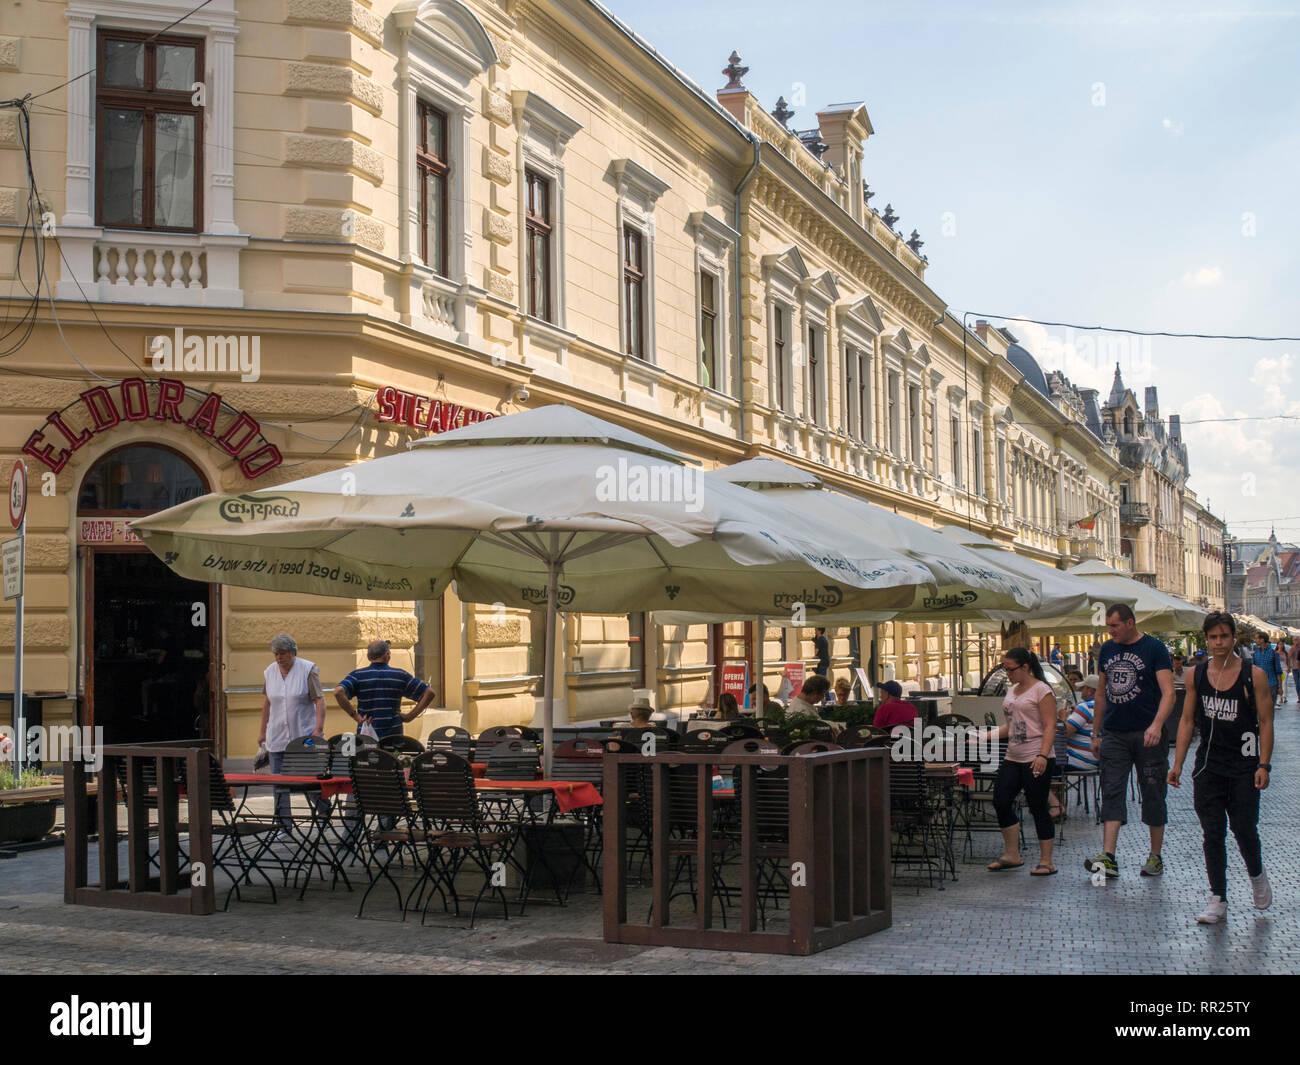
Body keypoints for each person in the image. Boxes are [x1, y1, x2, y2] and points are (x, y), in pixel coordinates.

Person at [1168, 612, 1273, 924]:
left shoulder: (1253, 675)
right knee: (1212, 833)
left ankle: (1256, 874)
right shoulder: (1195, 675)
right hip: (1209, 766)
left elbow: (1266, 722)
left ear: (1234, 638)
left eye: (1224, 637)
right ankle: (1218, 896)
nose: (1218, 643)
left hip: (1243, 765)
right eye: (1213, 637)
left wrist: (1263, 765)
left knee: (1243, 829)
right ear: (1206, 639)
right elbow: (1187, 720)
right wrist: (1178, 763)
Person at [1086, 604, 1176, 879]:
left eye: (1114, 626)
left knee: (1152, 792)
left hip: (1147, 733)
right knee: (1112, 790)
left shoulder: (1154, 649)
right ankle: (1109, 856)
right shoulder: (1108, 650)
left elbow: (1169, 693)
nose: (1110, 631)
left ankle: (1155, 856)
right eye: (1108, 626)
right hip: (1114, 732)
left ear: (1130, 623)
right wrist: (1095, 732)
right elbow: (1101, 693)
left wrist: (1157, 726)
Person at [984, 647, 1059, 875]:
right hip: (1013, 755)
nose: (1008, 674)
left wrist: (1042, 755)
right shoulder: (1013, 690)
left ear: (1025, 667)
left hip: (1036, 755)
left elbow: (1049, 725)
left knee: (1037, 807)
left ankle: (1046, 861)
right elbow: (1013, 725)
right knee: (1001, 800)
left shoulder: (1042, 690)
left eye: (1011, 669)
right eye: (1004, 669)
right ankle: (1012, 855)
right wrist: (984, 736)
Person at [258, 634, 327, 830]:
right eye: (276, 654)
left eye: (282, 654)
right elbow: (267, 703)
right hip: (276, 735)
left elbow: (320, 700)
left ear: (292, 653)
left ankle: (323, 806)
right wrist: (262, 731)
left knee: (307, 778)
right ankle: (283, 825)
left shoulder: (307, 669)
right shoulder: (270, 672)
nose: (279, 658)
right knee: (279, 784)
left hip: (303, 735)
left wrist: (318, 729)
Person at [334, 639, 435, 742]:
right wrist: (409, 717)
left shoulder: (357, 676)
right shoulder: (400, 675)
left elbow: (338, 692)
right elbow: (429, 693)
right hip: (394, 737)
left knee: (367, 758)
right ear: (387, 655)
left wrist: (355, 716)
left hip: (367, 736)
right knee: (392, 758)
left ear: (368, 657)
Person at [1066, 676, 1100, 772]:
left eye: (1083, 688)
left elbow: (1063, 733)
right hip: (1098, 761)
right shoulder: (1103, 706)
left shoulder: (1085, 707)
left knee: (1045, 761)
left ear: (1090, 690)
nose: (1081, 691)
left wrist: (1063, 717)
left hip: (1079, 760)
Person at [1251, 633, 1284, 708]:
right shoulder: (1256, 652)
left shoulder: (1273, 653)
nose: (1255, 640)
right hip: (1258, 685)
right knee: (1259, 708)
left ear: (1262, 640)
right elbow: (1253, 668)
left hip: (1271, 685)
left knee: (1269, 709)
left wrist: (1280, 687)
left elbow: (1278, 671)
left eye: (1256, 638)